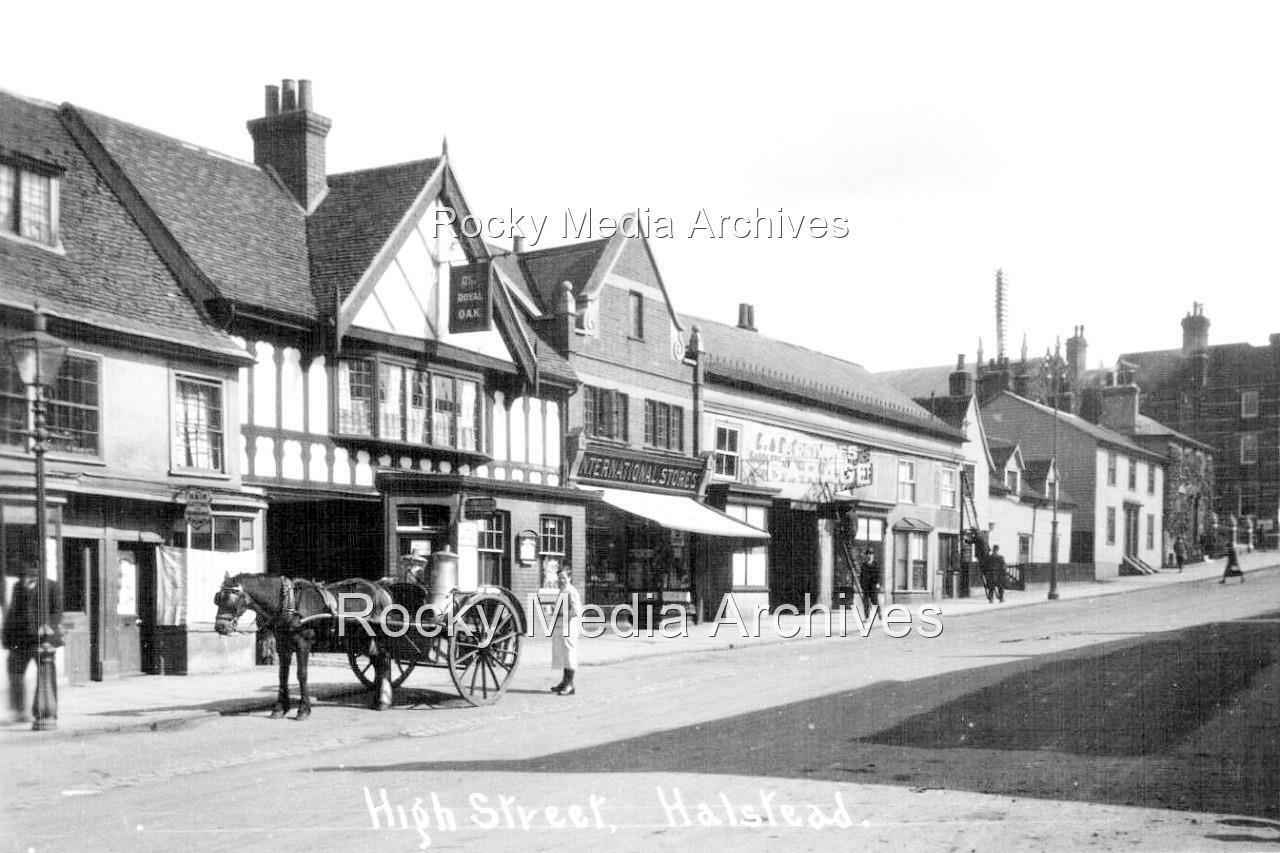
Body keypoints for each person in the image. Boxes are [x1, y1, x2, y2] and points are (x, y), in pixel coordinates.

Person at [3, 560, 62, 723]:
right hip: (21, 640)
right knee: (14, 672)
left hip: (42, 639)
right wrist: (6, 636)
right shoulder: (17, 587)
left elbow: (57, 612)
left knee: (47, 675)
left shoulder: (51, 586)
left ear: (36, 573)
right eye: (22, 576)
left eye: (28, 576)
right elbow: (13, 611)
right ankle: (19, 711)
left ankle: (47, 711)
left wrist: (49, 626)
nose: (24, 580)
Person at [549, 564, 581, 696]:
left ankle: (569, 684)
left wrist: (561, 613)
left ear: (570, 577)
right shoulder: (563, 591)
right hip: (562, 627)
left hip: (569, 627)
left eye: (563, 578)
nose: (561, 580)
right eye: (559, 578)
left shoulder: (571, 591)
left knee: (569, 654)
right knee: (564, 655)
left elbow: (576, 611)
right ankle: (565, 682)